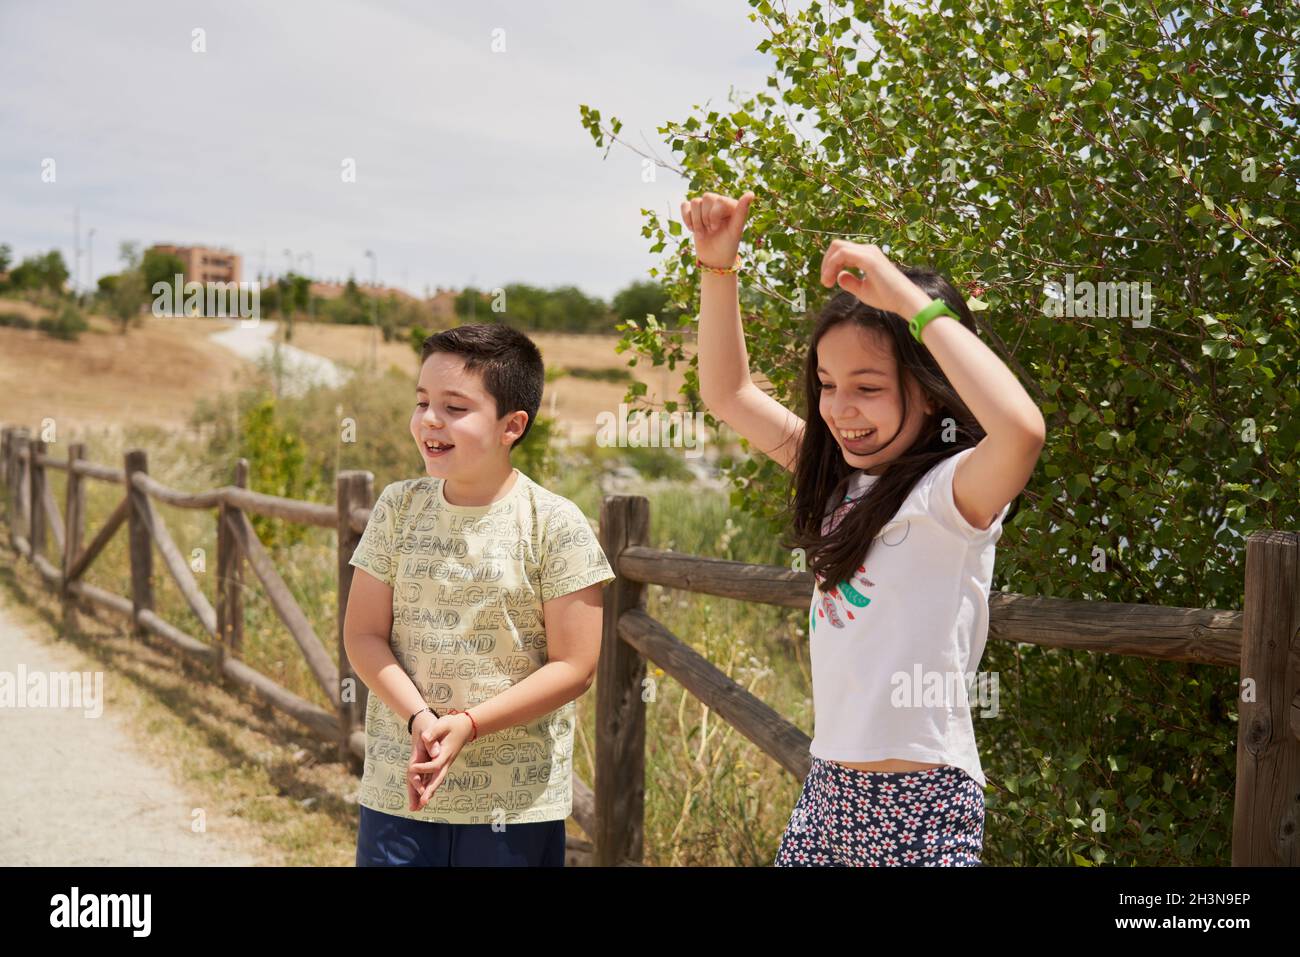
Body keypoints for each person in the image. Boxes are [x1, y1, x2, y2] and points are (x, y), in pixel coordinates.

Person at [683, 190, 1045, 866]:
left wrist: (910, 301)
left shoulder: (950, 495)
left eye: (868, 387)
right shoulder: (838, 484)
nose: (840, 409)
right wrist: (717, 267)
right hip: (829, 793)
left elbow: (1023, 431)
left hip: (925, 804)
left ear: (931, 390)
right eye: (827, 383)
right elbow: (728, 394)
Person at [343, 323, 617, 866]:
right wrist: (421, 720)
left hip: (512, 805)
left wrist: (468, 726)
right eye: (422, 402)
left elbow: (575, 667)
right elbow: (363, 635)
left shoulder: (555, 524)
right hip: (403, 791)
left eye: (455, 407)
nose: (429, 421)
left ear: (512, 425)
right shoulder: (398, 508)